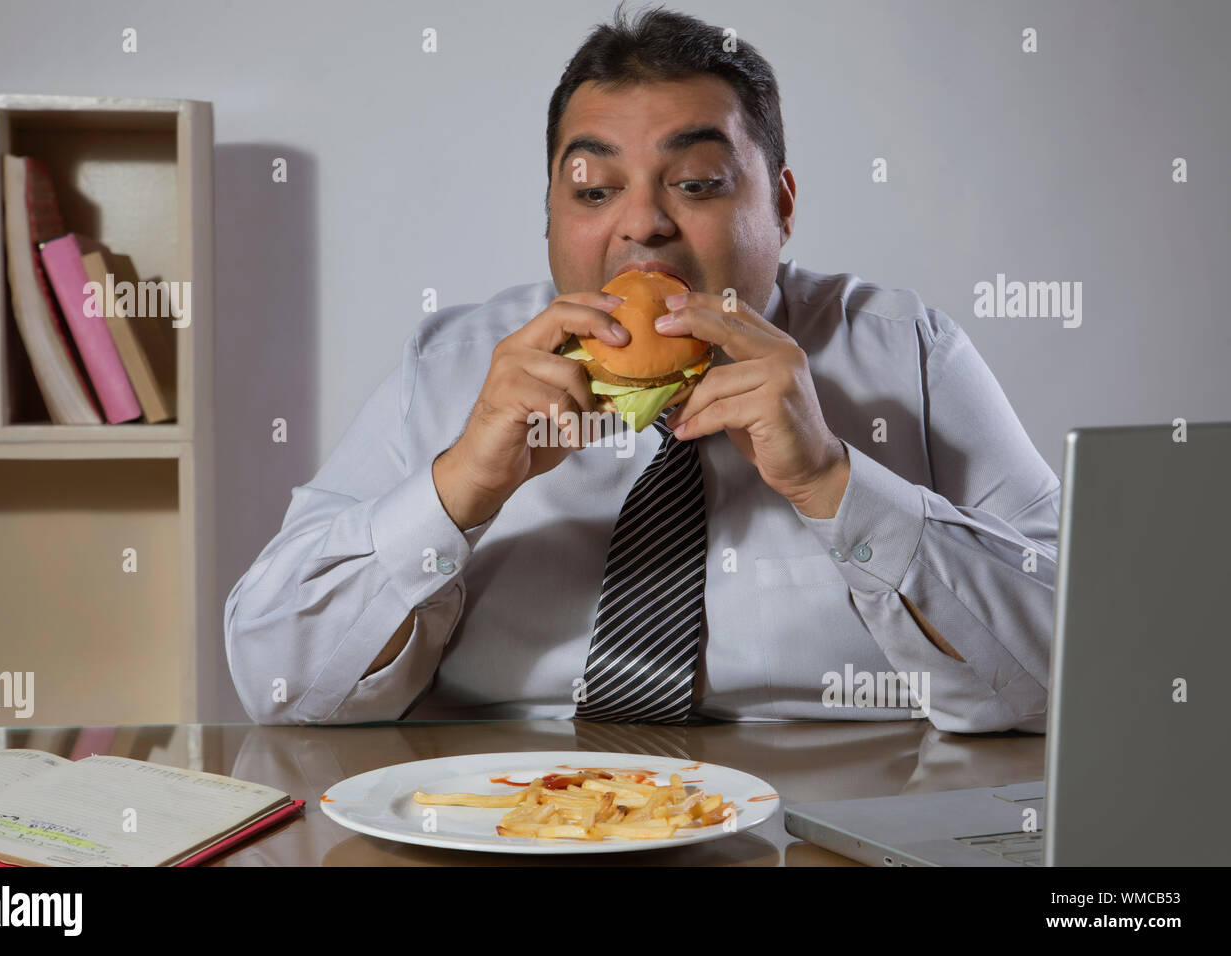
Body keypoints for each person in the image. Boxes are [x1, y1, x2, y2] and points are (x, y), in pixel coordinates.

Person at [224, 5, 1059, 733]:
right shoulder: (451, 368)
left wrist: (836, 484)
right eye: (592, 190)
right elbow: (280, 685)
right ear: (548, 215)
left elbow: (1070, 675)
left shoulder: (907, 351)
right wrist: (458, 489)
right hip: (514, 808)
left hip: (833, 804)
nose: (644, 225)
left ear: (783, 206)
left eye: (697, 183)